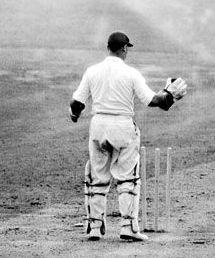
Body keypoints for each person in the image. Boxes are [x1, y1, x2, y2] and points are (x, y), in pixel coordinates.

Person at [69, 32, 187, 242]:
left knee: (96, 176)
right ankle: (128, 227)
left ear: (108, 48)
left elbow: (77, 103)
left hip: (98, 126)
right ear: (124, 49)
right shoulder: (131, 73)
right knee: (128, 178)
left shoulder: (92, 71)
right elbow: (153, 101)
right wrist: (169, 94)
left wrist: (75, 115)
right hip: (123, 126)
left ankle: (94, 227)